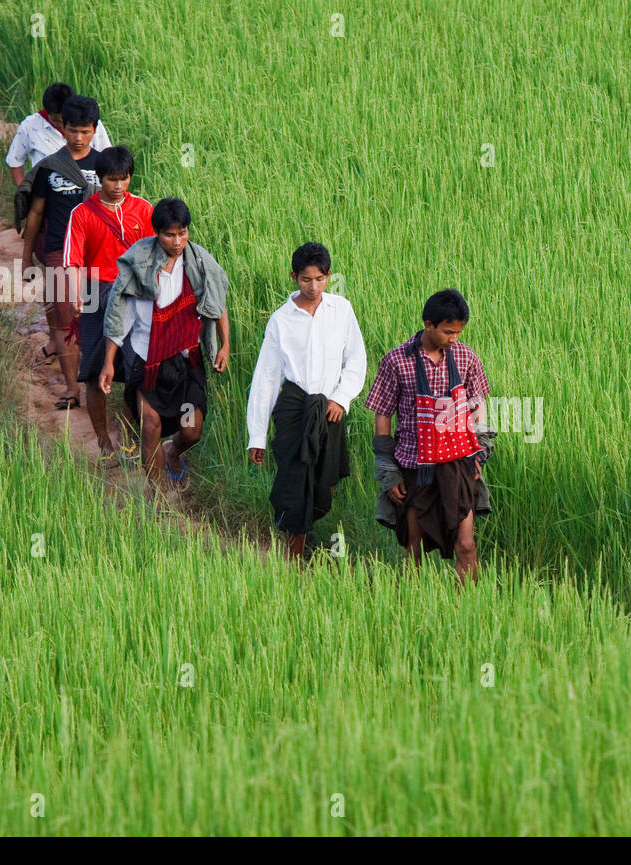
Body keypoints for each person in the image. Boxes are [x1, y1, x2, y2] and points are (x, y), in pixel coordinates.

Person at [100, 199, 232, 497]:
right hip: (147, 361)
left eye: (182, 233)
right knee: (150, 426)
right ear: (157, 233)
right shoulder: (139, 264)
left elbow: (216, 303)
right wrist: (109, 362)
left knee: (191, 430)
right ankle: (158, 496)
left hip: (186, 360)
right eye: (169, 235)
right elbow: (119, 315)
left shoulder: (199, 263)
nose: (177, 242)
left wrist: (224, 345)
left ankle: (173, 451)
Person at [246, 242, 366, 562]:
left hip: (329, 411)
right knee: (294, 482)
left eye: (320, 279)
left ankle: (304, 538)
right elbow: (267, 379)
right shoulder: (281, 320)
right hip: (294, 410)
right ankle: (293, 559)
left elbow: (356, 360)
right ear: (293, 277)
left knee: (324, 488)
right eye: (305, 279)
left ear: (329, 276)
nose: (313, 287)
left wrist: (340, 399)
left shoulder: (341, 310)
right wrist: (256, 435)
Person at [365, 289, 494, 583]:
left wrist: (481, 448)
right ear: (428, 324)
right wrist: (388, 470)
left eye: (459, 332)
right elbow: (382, 414)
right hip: (415, 467)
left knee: (466, 545)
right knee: (415, 549)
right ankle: (414, 611)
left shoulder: (466, 358)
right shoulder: (397, 361)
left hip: (459, 464)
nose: (454, 339)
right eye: (448, 332)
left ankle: (469, 612)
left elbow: (478, 404)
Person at [61, 146, 153, 464]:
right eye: (111, 180)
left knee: (137, 371)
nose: (118, 186)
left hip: (134, 295)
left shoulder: (144, 210)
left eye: (124, 179)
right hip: (95, 292)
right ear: (99, 179)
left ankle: (128, 436)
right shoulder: (82, 214)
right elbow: (72, 261)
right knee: (95, 371)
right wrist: (74, 294)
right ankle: (103, 443)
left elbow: (158, 257)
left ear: (130, 178)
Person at [19, 94, 104, 409]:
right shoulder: (49, 168)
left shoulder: (104, 165)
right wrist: (27, 258)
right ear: (62, 128)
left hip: (96, 252)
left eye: (85, 131)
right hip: (58, 251)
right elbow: (36, 215)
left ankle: (98, 380)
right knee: (66, 321)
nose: (78, 138)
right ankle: (72, 389)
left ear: (94, 130)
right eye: (72, 130)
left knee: (95, 317)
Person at [5, 82, 112, 186]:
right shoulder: (30, 126)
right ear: (47, 112)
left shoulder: (90, 123)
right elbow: (15, 160)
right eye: (56, 121)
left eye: (66, 120)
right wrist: (25, 194)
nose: (62, 126)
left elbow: (107, 157)